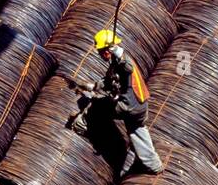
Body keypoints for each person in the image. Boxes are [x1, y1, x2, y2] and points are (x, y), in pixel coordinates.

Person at [70, 30, 163, 174]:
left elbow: (127, 67)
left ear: (107, 50)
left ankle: (80, 126)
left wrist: (119, 53)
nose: (100, 55)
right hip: (141, 106)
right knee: (137, 130)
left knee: (97, 106)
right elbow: (108, 81)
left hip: (128, 106)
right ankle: (154, 164)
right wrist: (92, 86)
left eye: (101, 51)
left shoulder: (123, 61)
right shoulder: (115, 63)